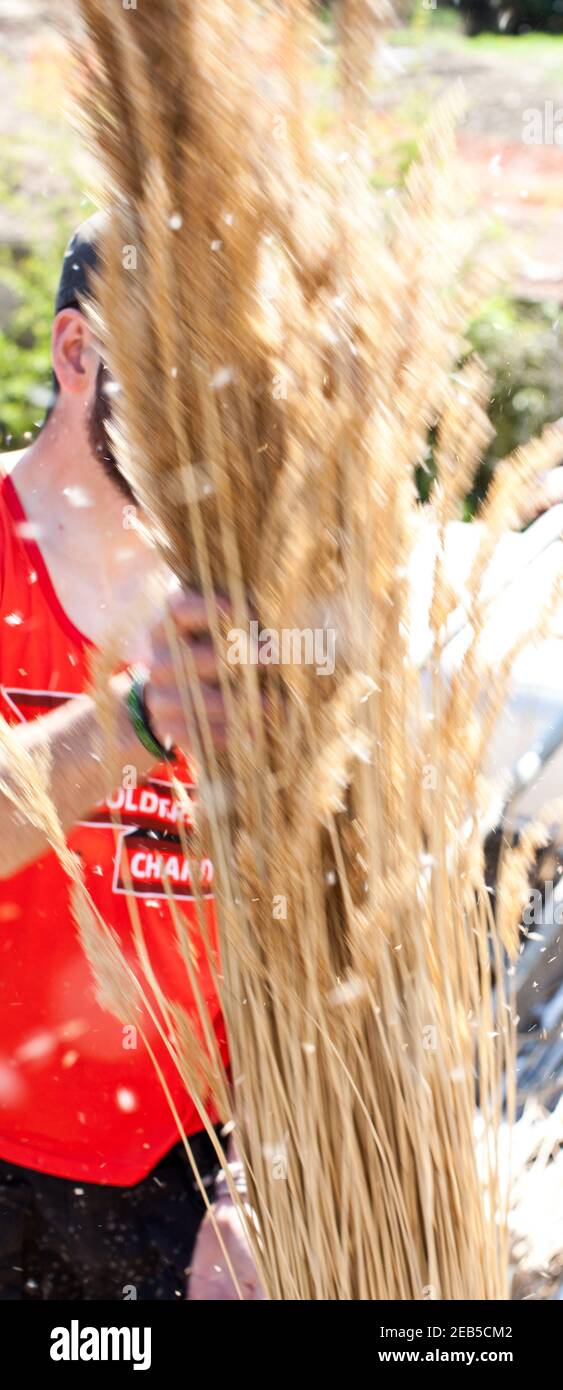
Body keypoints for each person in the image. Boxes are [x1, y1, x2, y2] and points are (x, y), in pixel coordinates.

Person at [0, 215, 262, 1300]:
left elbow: (321, 926)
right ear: (75, 353)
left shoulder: (253, 600)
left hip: (180, 1189)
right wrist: (141, 721)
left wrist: (259, 1183)